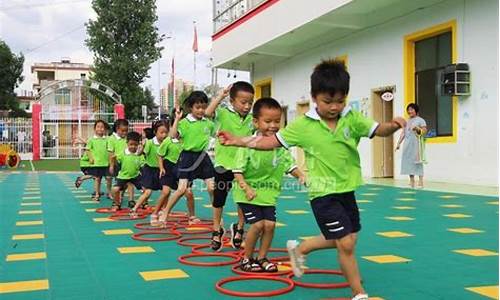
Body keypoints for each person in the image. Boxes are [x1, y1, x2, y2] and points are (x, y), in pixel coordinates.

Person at [218, 59, 406, 300]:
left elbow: (378, 130)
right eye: (328, 101)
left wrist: (394, 125)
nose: (334, 107)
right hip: (322, 193)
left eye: (340, 101)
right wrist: (237, 140)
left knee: (349, 239)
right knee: (346, 243)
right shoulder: (303, 126)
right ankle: (359, 294)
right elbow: (270, 142)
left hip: (347, 190)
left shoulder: (352, 118)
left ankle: (303, 247)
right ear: (314, 97)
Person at [233, 97, 305, 272]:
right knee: (257, 225)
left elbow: (291, 166)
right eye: (268, 121)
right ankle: (246, 259)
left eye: (277, 121)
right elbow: (237, 171)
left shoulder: (280, 147)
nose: (273, 126)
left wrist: (302, 177)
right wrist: (246, 188)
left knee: (270, 225)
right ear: (256, 122)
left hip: (268, 194)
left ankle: (262, 257)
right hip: (247, 193)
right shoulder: (248, 144)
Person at [205, 81, 255, 251]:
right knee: (219, 200)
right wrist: (221, 95)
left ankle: (239, 228)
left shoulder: (251, 119)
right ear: (233, 101)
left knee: (242, 200)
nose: (247, 106)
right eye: (243, 102)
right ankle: (216, 229)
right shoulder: (223, 113)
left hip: (243, 166)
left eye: (250, 102)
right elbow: (207, 112)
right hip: (223, 165)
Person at [157, 91, 216, 227]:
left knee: (212, 188)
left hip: (203, 157)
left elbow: (218, 134)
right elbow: (172, 136)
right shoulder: (185, 122)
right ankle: (165, 213)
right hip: (188, 157)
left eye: (203, 107)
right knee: (181, 189)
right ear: (191, 108)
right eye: (198, 107)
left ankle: (217, 218)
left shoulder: (208, 123)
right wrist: (177, 119)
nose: (201, 110)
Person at [151, 110, 197, 226]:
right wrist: (161, 168)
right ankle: (155, 213)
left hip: (183, 169)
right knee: (166, 192)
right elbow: (159, 155)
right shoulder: (168, 141)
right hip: (169, 168)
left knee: (189, 193)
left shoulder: (186, 141)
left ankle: (192, 216)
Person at [131, 121, 168, 214]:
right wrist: (142, 146)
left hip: (162, 170)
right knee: (147, 192)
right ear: (155, 132)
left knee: (166, 191)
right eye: (161, 132)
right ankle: (134, 208)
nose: (164, 135)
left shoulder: (167, 142)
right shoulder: (150, 143)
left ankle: (164, 209)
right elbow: (140, 153)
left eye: (166, 132)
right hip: (150, 170)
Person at [75, 120, 110, 201]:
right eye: (98, 127)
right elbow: (88, 149)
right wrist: (91, 158)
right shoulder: (92, 139)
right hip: (95, 163)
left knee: (100, 178)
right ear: (94, 129)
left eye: (102, 127)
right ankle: (96, 194)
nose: (100, 129)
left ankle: (98, 192)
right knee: (96, 178)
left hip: (104, 163)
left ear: (104, 129)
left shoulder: (107, 139)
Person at [111, 131, 144, 211]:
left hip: (135, 176)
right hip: (123, 176)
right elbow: (115, 161)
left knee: (146, 189)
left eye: (135, 145)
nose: (133, 147)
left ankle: (142, 203)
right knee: (115, 189)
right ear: (127, 143)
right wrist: (112, 165)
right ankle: (116, 204)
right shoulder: (122, 153)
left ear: (138, 144)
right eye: (131, 144)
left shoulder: (139, 155)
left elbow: (143, 165)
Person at [396, 103, 427, 188]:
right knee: (408, 162)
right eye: (408, 109)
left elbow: (424, 131)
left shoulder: (421, 120)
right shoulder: (406, 121)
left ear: (416, 110)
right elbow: (403, 133)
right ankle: (411, 180)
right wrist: (398, 143)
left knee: (417, 161)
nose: (410, 111)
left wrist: (417, 129)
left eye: (412, 109)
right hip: (407, 144)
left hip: (417, 144)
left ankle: (420, 181)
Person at [108, 119, 133, 204]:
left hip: (127, 164)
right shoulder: (112, 139)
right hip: (117, 164)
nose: (125, 133)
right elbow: (111, 153)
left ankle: (122, 195)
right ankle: (116, 199)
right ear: (117, 129)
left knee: (127, 182)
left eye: (126, 130)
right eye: (122, 131)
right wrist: (111, 165)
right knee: (119, 182)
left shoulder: (127, 138)